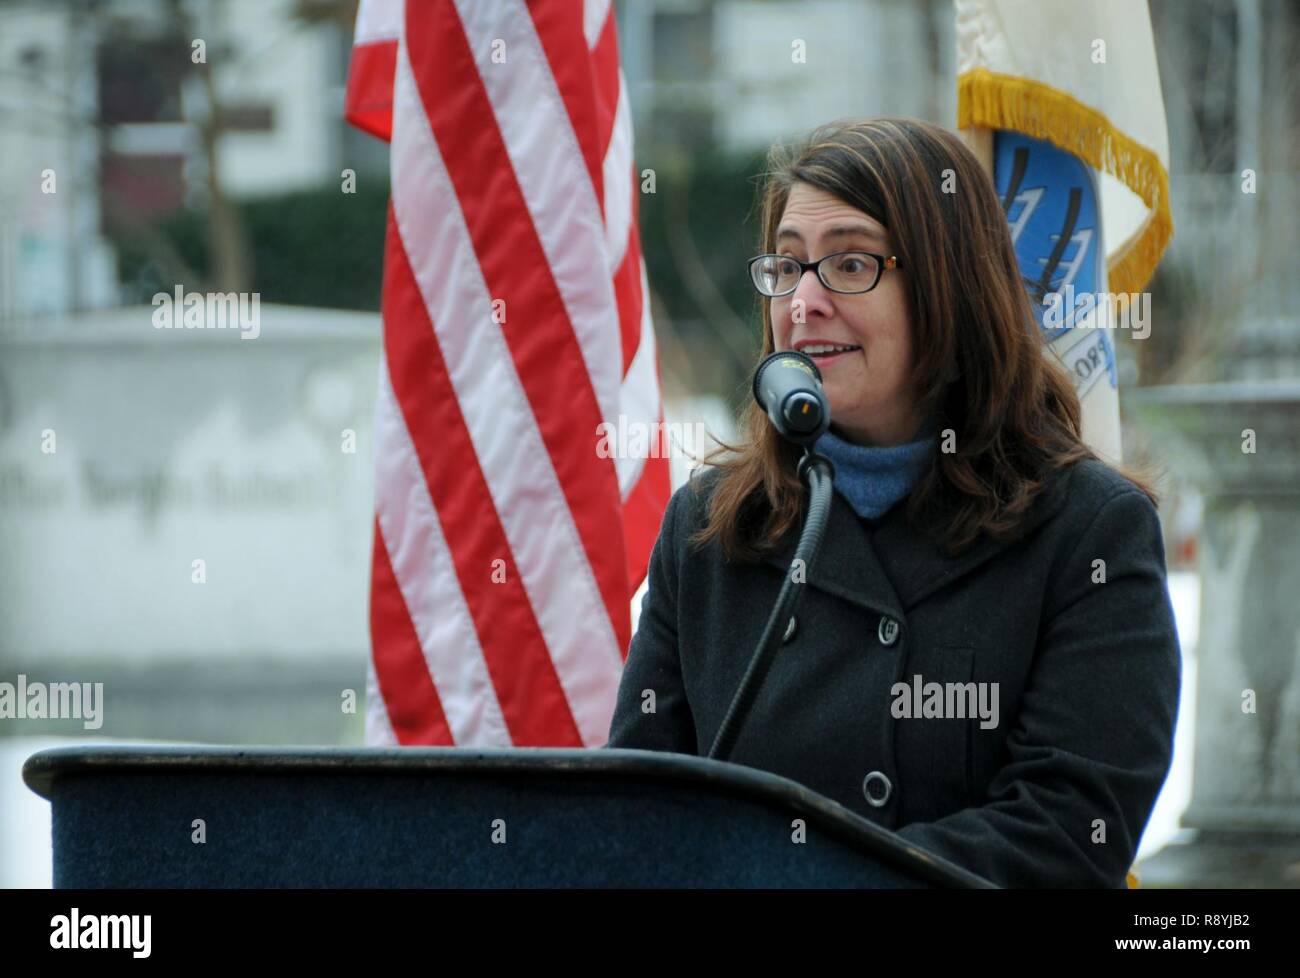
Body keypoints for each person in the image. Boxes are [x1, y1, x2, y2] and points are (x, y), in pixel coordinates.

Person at [606, 118, 1181, 889]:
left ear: (951, 285)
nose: (803, 303)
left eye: (849, 263)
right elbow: (637, 813)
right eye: (786, 266)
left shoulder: (1088, 529)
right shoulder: (711, 523)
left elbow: (1068, 834)